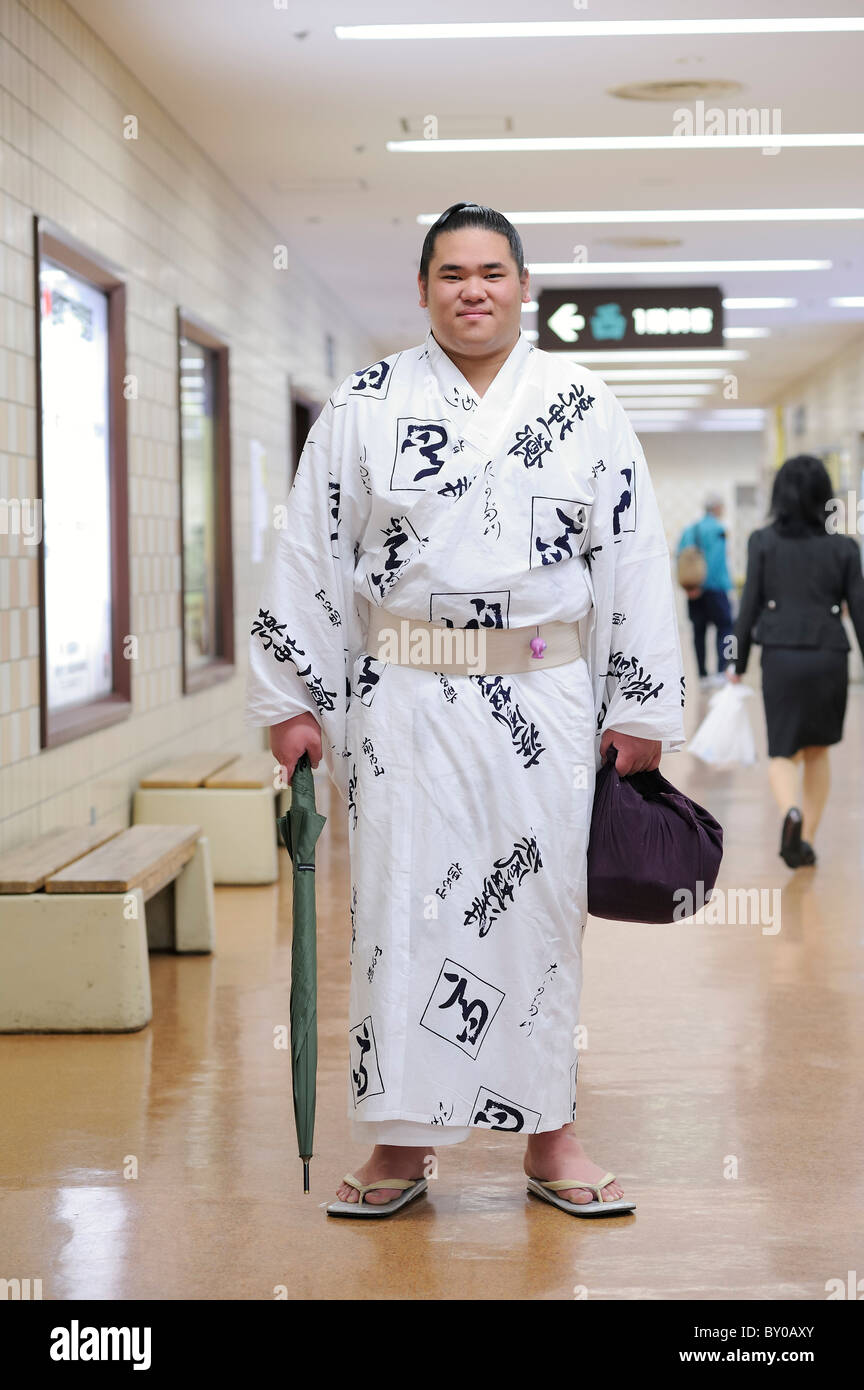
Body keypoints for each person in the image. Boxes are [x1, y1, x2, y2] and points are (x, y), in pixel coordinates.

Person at [244, 202, 686, 1218]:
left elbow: (631, 553)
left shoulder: (583, 403)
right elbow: (308, 551)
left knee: (542, 917)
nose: (473, 289)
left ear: (525, 287)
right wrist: (291, 697)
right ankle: (401, 1144)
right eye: (451, 273)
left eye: (492, 272)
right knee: (397, 912)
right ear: (423, 289)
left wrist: (641, 703)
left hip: (548, 694)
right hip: (401, 699)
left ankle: (551, 1136)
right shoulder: (363, 405)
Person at [727, 454, 864, 868]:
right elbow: (860, 611)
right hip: (828, 656)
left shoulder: (762, 542)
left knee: (783, 751)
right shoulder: (844, 547)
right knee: (818, 751)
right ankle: (804, 841)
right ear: (826, 497)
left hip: (781, 656)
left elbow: (748, 608)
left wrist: (737, 664)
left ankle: (790, 811)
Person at [677, 493, 734, 687]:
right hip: (716, 589)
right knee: (726, 627)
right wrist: (707, 583)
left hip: (693, 591)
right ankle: (722, 670)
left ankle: (702, 675)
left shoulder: (690, 530)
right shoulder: (719, 529)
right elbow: (718, 561)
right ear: (717, 508)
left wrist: (691, 586)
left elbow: (680, 558)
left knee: (698, 631)